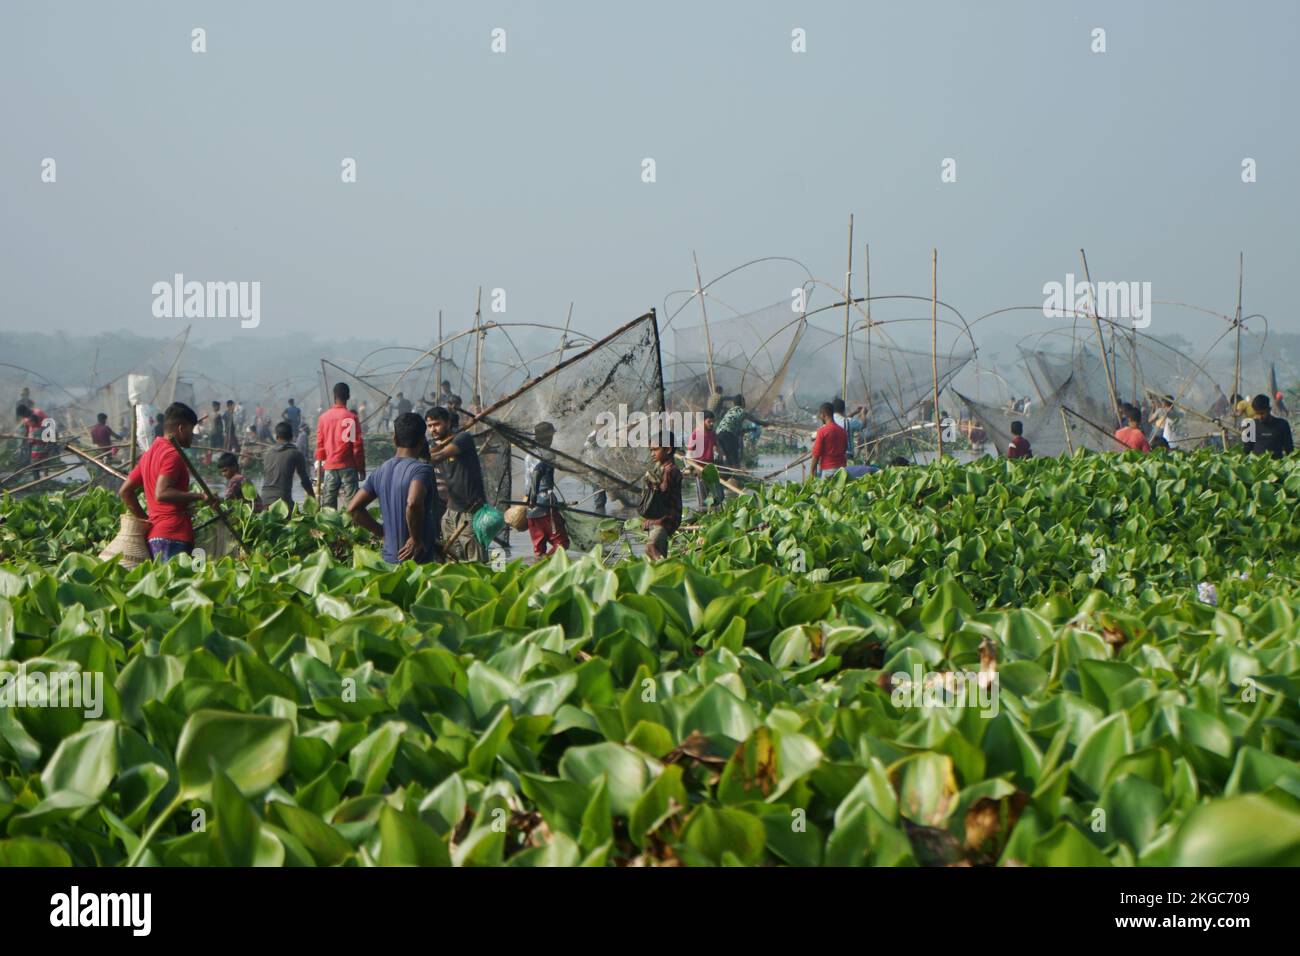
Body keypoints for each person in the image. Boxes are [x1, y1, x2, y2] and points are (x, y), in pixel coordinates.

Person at [119, 402, 216, 561]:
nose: (193, 435)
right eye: (191, 430)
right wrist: (200, 496)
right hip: (174, 535)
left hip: (155, 536)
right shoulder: (173, 454)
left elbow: (125, 491)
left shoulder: (149, 454)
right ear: (181, 428)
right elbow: (162, 493)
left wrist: (147, 521)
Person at [348, 412, 440, 564]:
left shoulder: (380, 471)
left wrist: (382, 533)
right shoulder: (422, 470)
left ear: (394, 439)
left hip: (389, 560)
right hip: (417, 562)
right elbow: (413, 503)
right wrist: (415, 539)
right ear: (422, 440)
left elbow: (353, 508)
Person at [426, 406, 486, 562]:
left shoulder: (462, 438)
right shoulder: (434, 446)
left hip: (470, 511)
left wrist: (416, 454)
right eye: (430, 426)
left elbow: (440, 456)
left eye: (437, 424)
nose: (433, 429)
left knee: (476, 560)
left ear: (448, 422)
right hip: (451, 512)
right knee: (454, 561)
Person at [315, 382, 366, 509]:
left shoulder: (323, 418)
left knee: (328, 506)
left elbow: (320, 446)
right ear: (348, 396)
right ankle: (351, 528)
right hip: (348, 466)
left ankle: (329, 528)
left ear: (334, 396)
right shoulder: (351, 417)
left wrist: (321, 467)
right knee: (352, 505)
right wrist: (361, 468)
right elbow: (357, 446)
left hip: (330, 467)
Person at [523, 421, 570, 557]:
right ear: (547, 437)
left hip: (531, 510)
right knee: (562, 544)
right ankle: (547, 563)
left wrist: (530, 499)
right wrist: (533, 498)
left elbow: (529, 480)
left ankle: (539, 571)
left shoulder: (529, 454)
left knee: (539, 548)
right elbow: (537, 472)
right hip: (544, 505)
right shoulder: (548, 454)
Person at [642, 436, 682, 561]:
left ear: (668, 449)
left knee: (650, 547)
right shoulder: (662, 469)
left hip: (666, 518)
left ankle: (669, 568)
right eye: (651, 450)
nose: (652, 454)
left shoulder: (670, 471)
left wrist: (653, 484)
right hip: (661, 518)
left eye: (655, 450)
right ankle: (664, 575)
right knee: (658, 552)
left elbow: (662, 495)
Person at [261, 421, 315, 510]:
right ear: (291, 436)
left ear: (276, 437)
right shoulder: (295, 453)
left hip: (264, 500)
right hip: (283, 503)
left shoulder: (268, 453)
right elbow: (305, 480)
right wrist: (313, 500)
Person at [714, 395, 765, 468]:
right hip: (727, 434)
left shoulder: (731, 411)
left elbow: (739, 431)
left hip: (719, 434)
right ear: (743, 403)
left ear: (734, 403)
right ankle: (736, 473)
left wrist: (750, 429)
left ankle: (729, 472)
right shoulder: (742, 411)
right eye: (744, 402)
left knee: (729, 456)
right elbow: (757, 422)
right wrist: (768, 424)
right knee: (734, 457)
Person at [686, 410, 723, 508]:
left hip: (711, 468)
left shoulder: (712, 434)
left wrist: (721, 458)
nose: (712, 424)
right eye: (709, 421)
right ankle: (704, 514)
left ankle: (714, 511)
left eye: (713, 422)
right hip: (700, 470)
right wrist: (695, 467)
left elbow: (718, 447)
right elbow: (689, 455)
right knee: (703, 499)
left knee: (720, 496)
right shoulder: (695, 434)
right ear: (702, 421)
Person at [1243, 393, 1294, 458]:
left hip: (1278, 466)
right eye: (1257, 414)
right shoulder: (1250, 426)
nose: (1260, 417)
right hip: (1257, 466)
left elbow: (1289, 449)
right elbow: (1246, 450)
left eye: (1262, 413)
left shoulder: (1282, 424)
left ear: (1269, 409)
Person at [810, 402, 847, 477]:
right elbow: (844, 449)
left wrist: (811, 471)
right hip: (842, 470)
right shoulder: (843, 431)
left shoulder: (822, 431)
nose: (820, 417)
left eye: (820, 415)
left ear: (823, 414)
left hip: (828, 470)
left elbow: (816, 454)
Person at [15, 403, 50, 476]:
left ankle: (44, 477)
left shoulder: (38, 413)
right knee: (34, 462)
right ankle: (37, 479)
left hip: (42, 441)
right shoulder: (25, 418)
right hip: (32, 442)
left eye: (24, 415)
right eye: (22, 416)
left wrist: (49, 441)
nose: (24, 417)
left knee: (43, 460)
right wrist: (23, 441)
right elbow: (27, 430)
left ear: (26, 411)